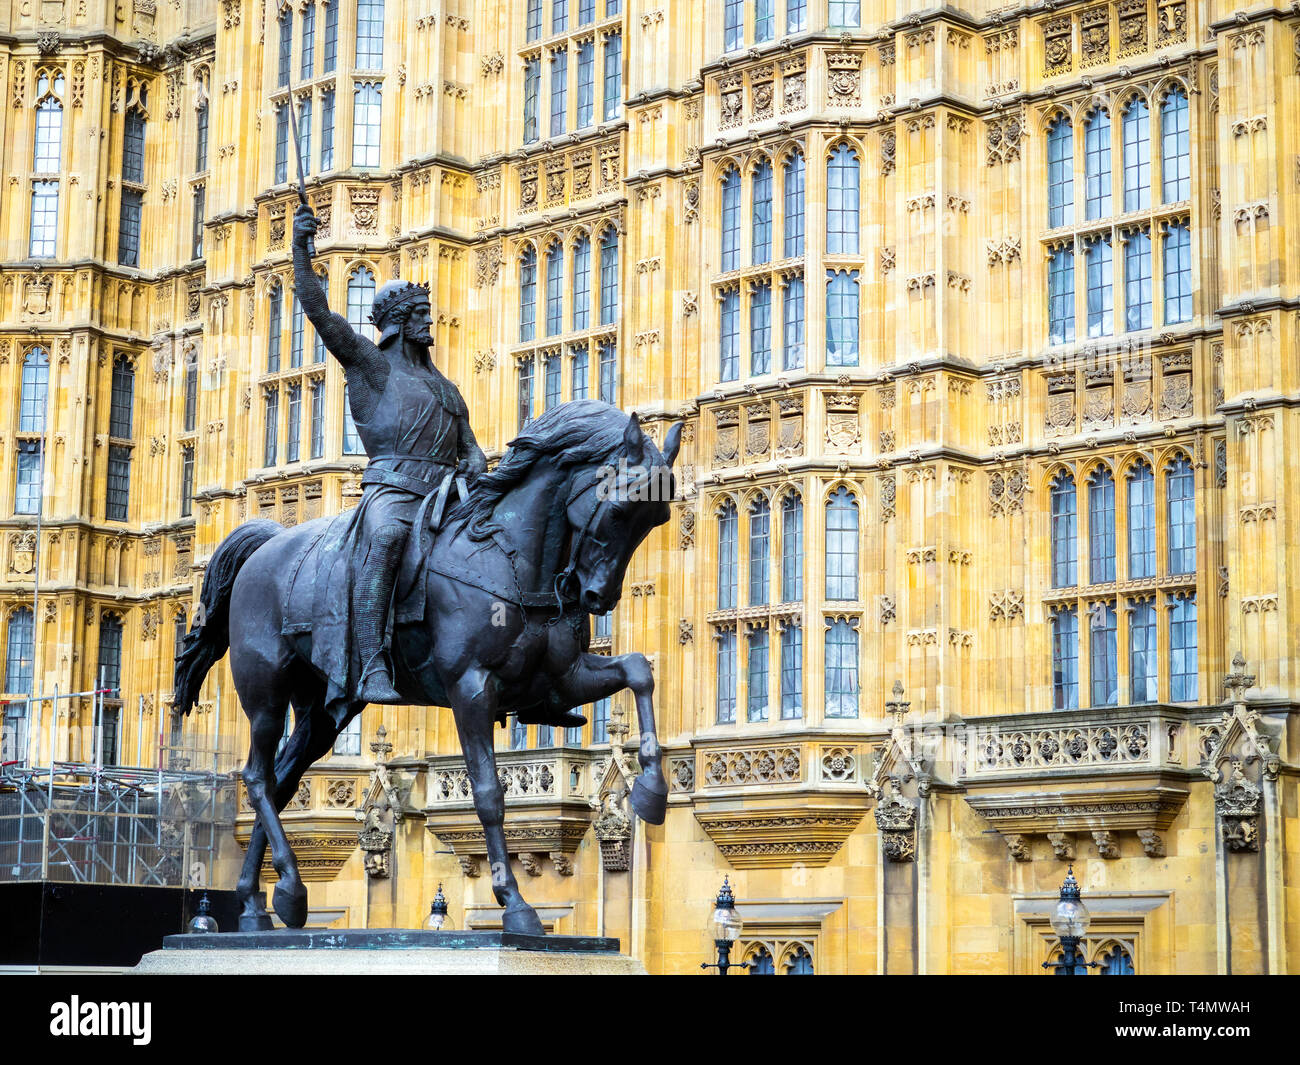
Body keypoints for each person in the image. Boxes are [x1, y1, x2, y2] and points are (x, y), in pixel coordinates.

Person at [291, 203, 487, 703]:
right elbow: (320, 313)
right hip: (394, 492)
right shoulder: (371, 368)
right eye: (420, 315)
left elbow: (472, 450)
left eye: (429, 313)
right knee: (386, 543)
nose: (429, 323)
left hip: (447, 497)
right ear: (398, 322)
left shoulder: (445, 386)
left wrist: (477, 471)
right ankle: (372, 665)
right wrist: (300, 249)